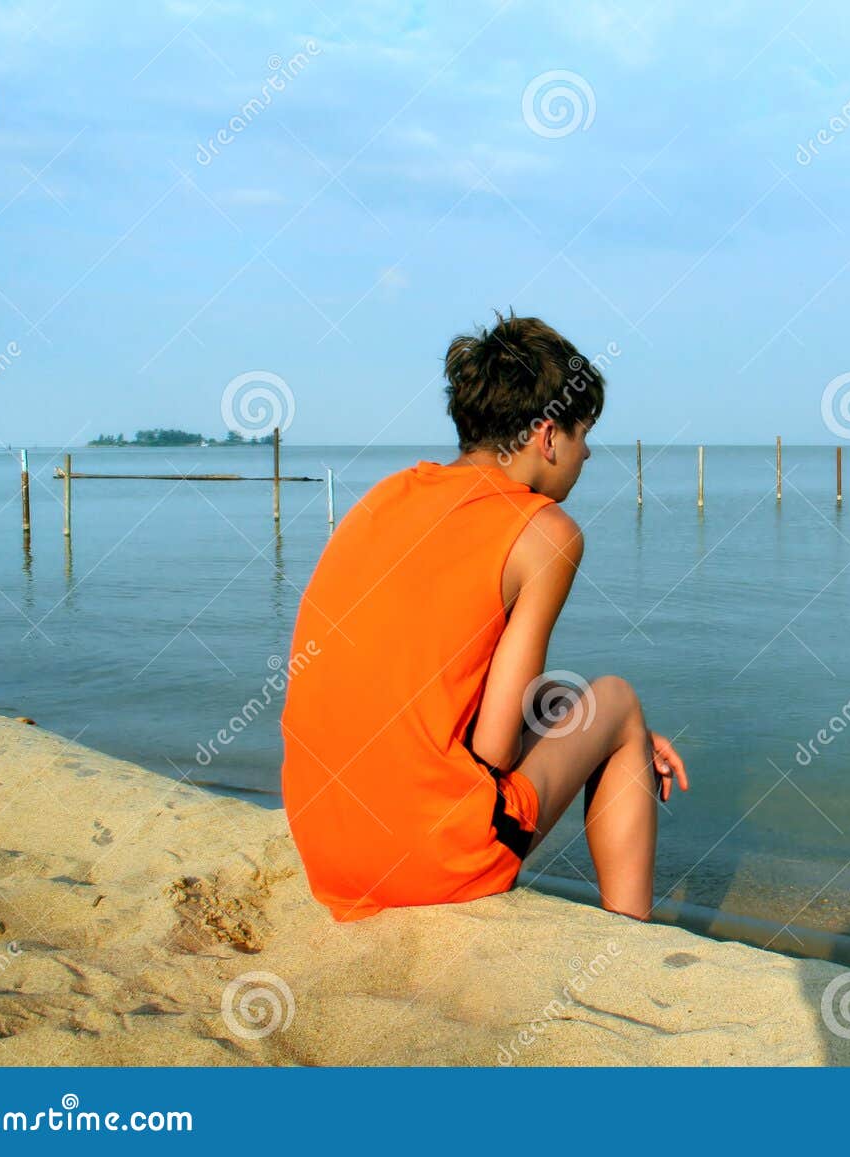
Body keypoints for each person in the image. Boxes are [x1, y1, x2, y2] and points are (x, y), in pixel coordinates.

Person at [280, 310, 687, 924]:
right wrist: (612, 730)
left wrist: (581, 727)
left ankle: (609, 736)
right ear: (547, 436)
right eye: (583, 434)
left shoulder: (387, 496)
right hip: (426, 856)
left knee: (574, 700)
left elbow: (424, 689)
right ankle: (630, 934)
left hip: (325, 844)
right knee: (620, 701)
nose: (586, 453)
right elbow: (493, 750)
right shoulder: (546, 532)